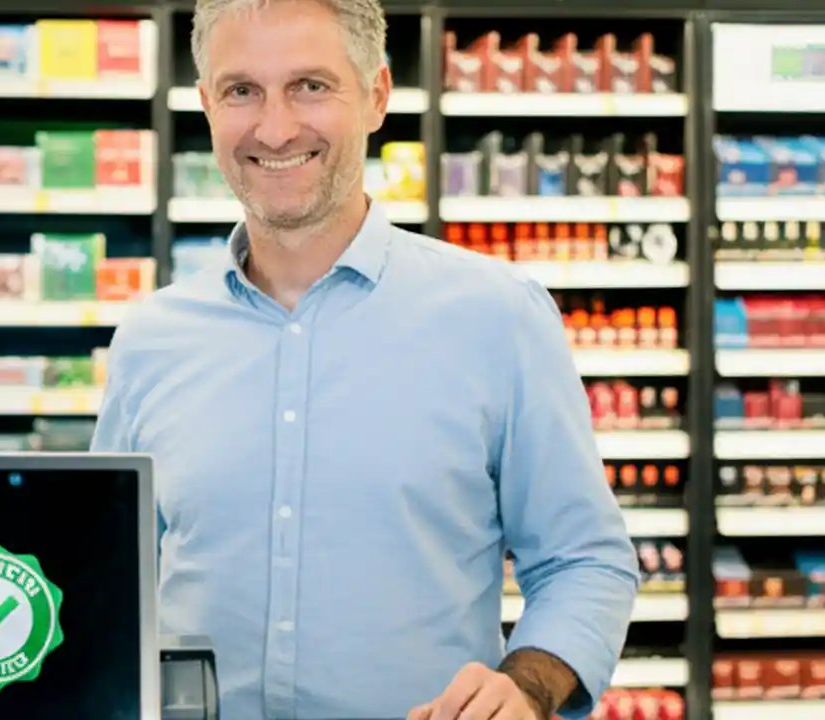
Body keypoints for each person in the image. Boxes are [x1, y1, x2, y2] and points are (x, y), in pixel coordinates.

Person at [89, 0, 641, 717]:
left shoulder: (497, 316)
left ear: (377, 95)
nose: (276, 128)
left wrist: (527, 686)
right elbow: (106, 581)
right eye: (242, 91)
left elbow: (584, 561)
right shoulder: (150, 340)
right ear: (205, 104)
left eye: (311, 86)